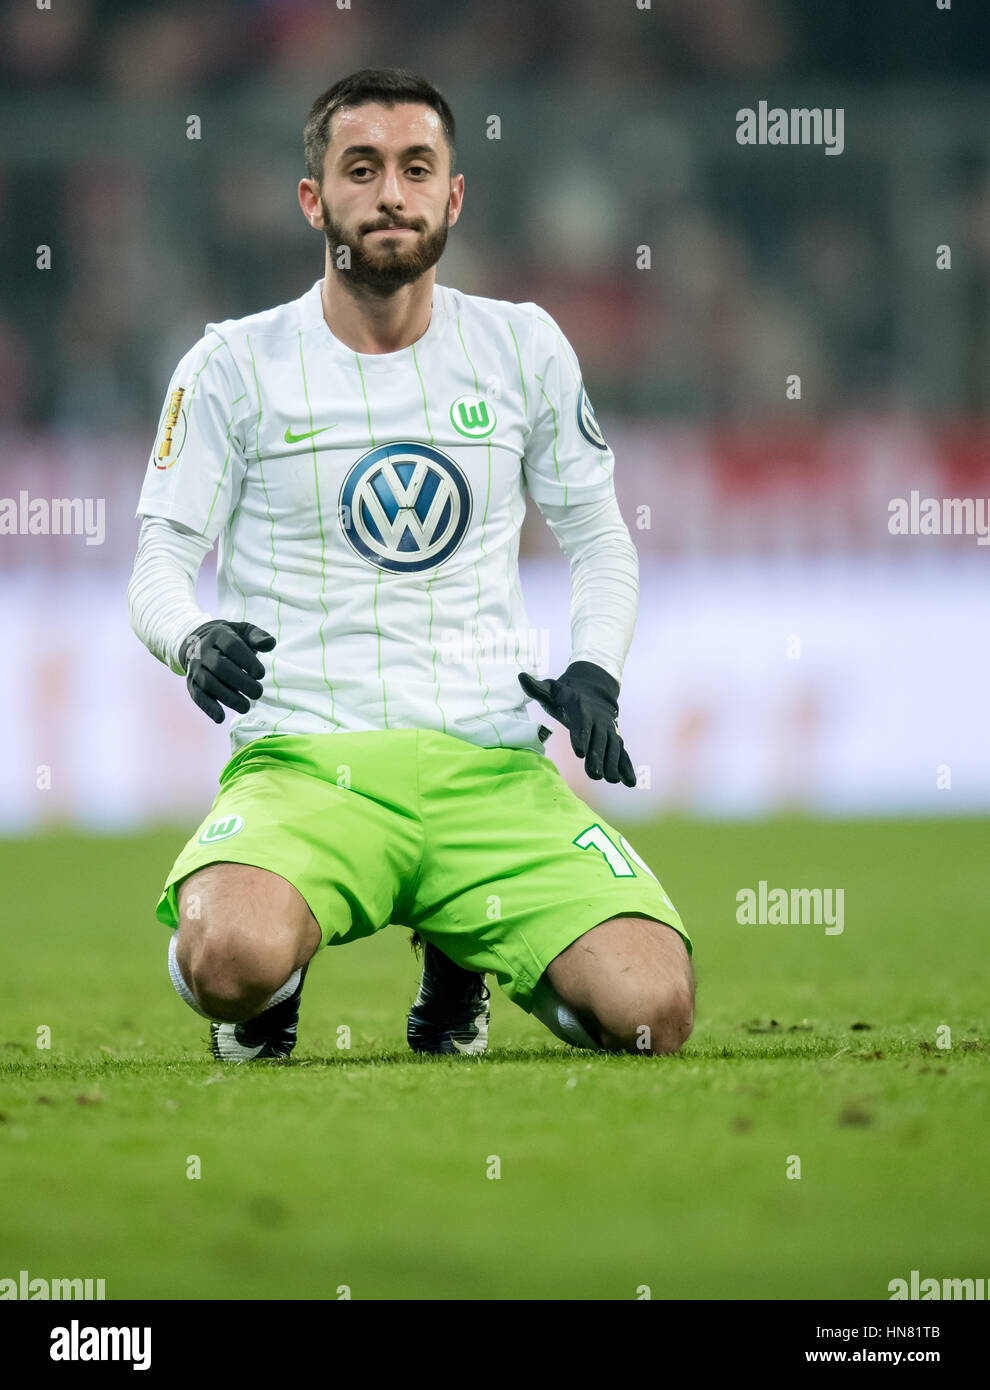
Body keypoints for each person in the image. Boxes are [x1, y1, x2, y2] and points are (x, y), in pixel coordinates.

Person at [127, 66, 694, 1063]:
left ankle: (458, 961)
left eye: (416, 168)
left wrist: (598, 670)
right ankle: (265, 998)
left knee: (652, 1012)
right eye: (361, 168)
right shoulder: (232, 363)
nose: (391, 192)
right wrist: (192, 635)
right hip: (306, 765)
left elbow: (601, 538)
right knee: (225, 957)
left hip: (489, 770)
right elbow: (158, 561)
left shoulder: (522, 346)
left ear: (453, 194)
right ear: (315, 199)